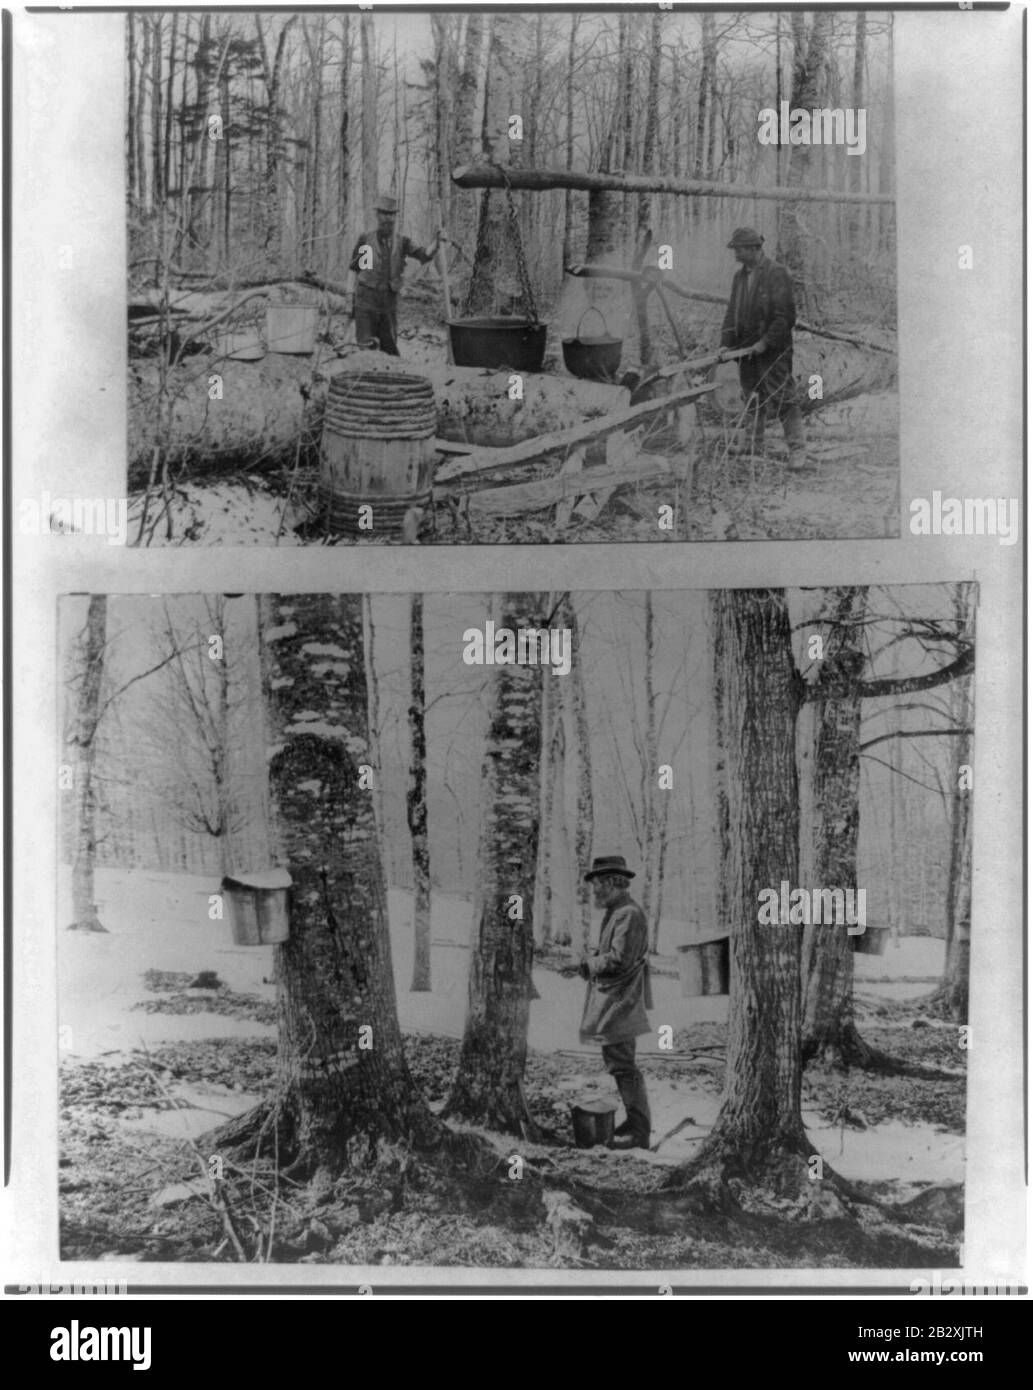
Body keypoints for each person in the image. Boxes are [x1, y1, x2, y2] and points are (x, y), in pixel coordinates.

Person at [577, 855, 653, 1151]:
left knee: (623, 1065)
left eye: (598, 884)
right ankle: (635, 1124)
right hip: (617, 998)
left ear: (612, 882)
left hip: (622, 1000)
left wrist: (588, 964)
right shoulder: (617, 911)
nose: (594, 890)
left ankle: (639, 1131)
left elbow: (619, 960)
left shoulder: (628, 914)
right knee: (620, 1063)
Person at [719, 226, 807, 471]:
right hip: (745, 350)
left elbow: (785, 317)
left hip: (774, 351)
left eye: (739, 249)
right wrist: (725, 345)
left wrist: (765, 343)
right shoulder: (739, 277)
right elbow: (731, 313)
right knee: (752, 396)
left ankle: (798, 450)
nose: (735, 254)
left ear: (754, 249)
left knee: (784, 398)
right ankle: (752, 443)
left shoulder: (777, 273)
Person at [348, 195, 444, 356]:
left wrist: (436, 243)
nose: (388, 219)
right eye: (385, 214)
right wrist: (348, 295)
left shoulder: (402, 242)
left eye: (392, 215)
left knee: (390, 349)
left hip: (388, 303)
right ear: (377, 215)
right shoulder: (366, 240)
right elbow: (355, 268)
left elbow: (423, 254)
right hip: (365, 302)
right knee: (364, 350)